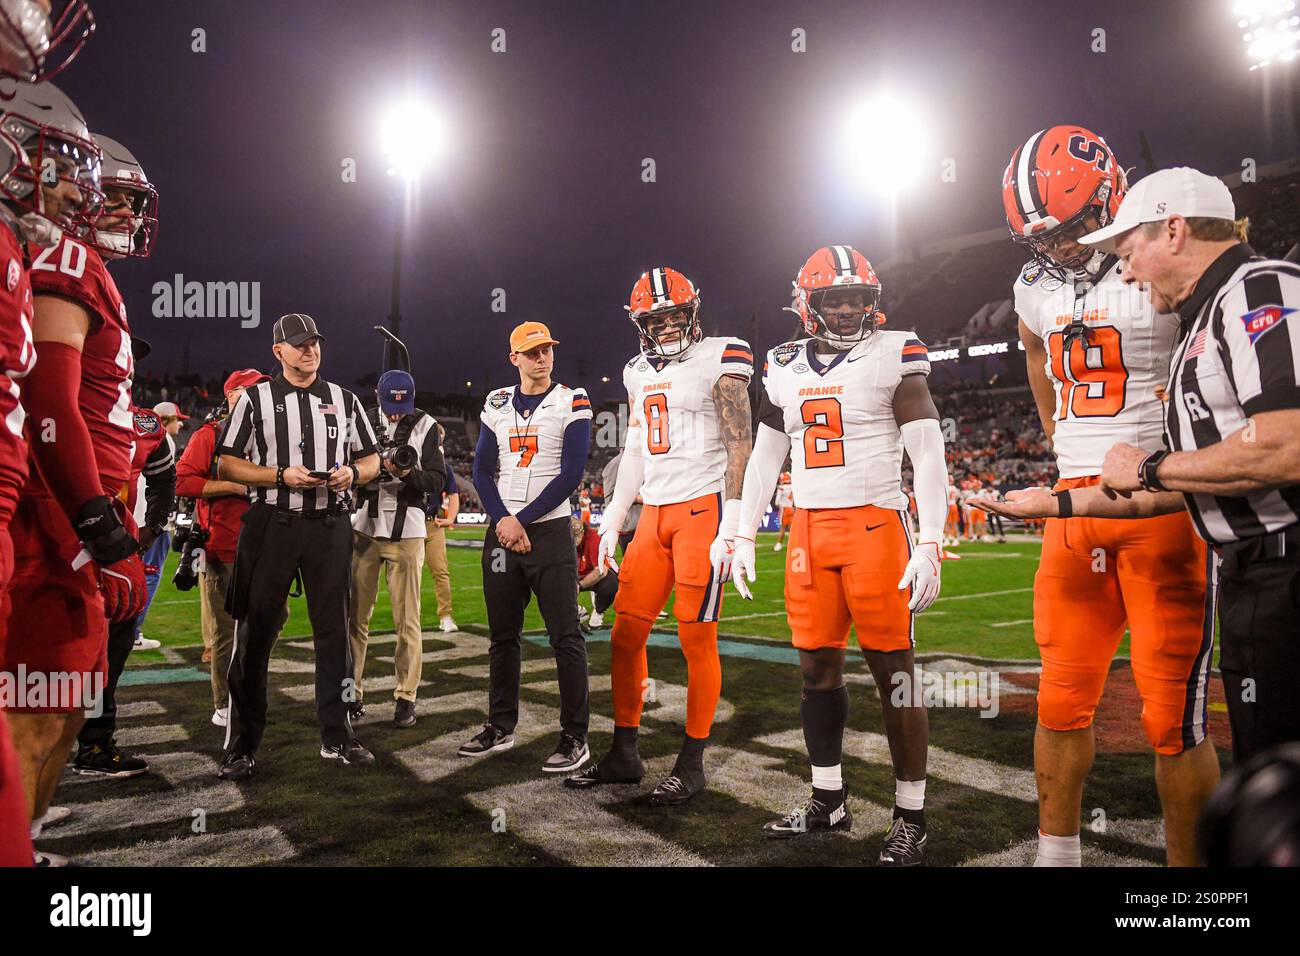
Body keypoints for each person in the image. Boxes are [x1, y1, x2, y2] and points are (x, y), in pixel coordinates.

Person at [983, 167, 1300, 767]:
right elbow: (1166, 486)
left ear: (1169, 231)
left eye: (1129, 250)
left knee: (1197, 728)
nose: (1123, 268)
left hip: (1251, 538)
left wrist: (1153, 463)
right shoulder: (1193, 319)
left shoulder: (1246, 291)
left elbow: (1283, 443)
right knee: (1260, 755)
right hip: (1204, 536)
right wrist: (1057, 477)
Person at [999, 138, 1220, 867]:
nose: (1057, 248)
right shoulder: (1033, 287)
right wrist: (1061, 440)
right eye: (1040, 236)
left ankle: (1193, 888)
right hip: (1075, 505)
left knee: (1172, 719)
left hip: (1162, 504)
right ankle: (1055, 856)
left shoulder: (1155, 254)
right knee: (1060, 697)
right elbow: (1035, 352)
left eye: (1066, 228)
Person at [729, 245, 946, 865]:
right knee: (816, 671)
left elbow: (927, 449)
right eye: (836, 299)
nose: (849, 309)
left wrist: (930, 538)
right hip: (808, 531)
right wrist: (744, 531)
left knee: (895, 675)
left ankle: (910, 814)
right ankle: (829, 799)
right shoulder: (782, 363)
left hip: (876, 527)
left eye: (858, 298)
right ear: (808, 304)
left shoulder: (894, 351)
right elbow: (767, 455)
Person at [2, 82, 146, 867]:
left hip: (66, 509)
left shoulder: (76, 261)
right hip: (50, 517)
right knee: (36, 697)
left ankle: (22, 841)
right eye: (111, 196)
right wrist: (96, 525)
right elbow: (49, 400)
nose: (113, 209)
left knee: (60, 703)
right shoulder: (63, 260)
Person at [567, 267, 752, 804]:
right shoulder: (635, 370)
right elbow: (637, 445)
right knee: (626, 635)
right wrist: (612, 515)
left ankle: (691, 762)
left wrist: (736, 525)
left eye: (675, 315)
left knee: (697, 638)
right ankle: (625, 754)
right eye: (656, 318)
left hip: (705, 510)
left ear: (692, 311)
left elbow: (739, 443)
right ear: (640, 323)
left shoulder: (724, 354)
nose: (667, 326)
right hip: (654, 514)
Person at [215, 313, 380, 780]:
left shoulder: (344, 400)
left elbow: (370, 459)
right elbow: (227, 465)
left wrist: (355, 473)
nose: (309, 350)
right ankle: (242, 744)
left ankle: (339, 733)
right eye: (299, 344)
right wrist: (279, 475)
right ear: (279, 351)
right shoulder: (254, 399)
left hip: (330, 525)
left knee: (337, 636)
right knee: (255, 635)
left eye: (315, 343)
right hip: (273, 523)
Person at [460, 321, 592, 773]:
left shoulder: (571, 399)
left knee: (565, 636)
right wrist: (502, 519)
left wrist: (522, 520)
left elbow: (572, 474)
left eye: (547, 350)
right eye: (532, 352)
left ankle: (575, 735)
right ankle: (501, 726)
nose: (542, 358)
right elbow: (480, 470)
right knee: (502, 636)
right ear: (514, 358)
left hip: (549, 532)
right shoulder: (496, 401)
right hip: (502, 533)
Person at [174, 368, 283, 726]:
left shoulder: (270, 437)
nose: (261, 398)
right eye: (253, 392)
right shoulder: (211, 434)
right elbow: (184, 481)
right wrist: (235, 487)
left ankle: (248, 685)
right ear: (234, 396)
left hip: (265, 546)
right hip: (223, 547)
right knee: (225, 632)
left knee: (272, 619)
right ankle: (224, 704)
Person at [349, 369, 446, 728]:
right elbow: (345, 468)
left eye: (401, 407)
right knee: (355, 618)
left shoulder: (426, 425)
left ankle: (406, 697)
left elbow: (437, 480)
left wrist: (407, 475)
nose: (395, 414)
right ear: (378, 397)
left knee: (407, 620)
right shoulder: (360, 420)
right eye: (391, 406)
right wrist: (369, 471)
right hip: (365, 529)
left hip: (408, 532)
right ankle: (351, 693)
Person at [133, 396, 186, 649]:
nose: (181, 425)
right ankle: (133, 632)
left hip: (132, 515)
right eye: (177, 419)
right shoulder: (164, 440)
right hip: (153, 519)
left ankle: (122, 630)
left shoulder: (134, 432)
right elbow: (165, 486)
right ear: (164, 420)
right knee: (150, 576)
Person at [424, 422, 460, 634]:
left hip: (432, 524)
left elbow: (453, 495)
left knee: (441, 572)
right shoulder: (413, 460)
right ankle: (407, 616)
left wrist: (450, 518)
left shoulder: (444, 467)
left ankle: (445, 615)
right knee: (404, 574)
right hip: (410, 523)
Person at [573, 516, 617, 628]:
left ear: (583, 532)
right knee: (551, 583)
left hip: (593, 572)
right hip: (574, 573)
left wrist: (580, 585)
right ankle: (576, 611)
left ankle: (598, 611)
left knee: (610, 585)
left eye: (577, 536)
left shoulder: (594, 539)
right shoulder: (560, 541)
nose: (575, 540)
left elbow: (601, 571)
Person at [772, 471, 794, 551]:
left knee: (783, 529)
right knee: (792, 530)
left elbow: (776, 502)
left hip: (784, 509)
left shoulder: (781, 488)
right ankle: (793, 545)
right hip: (791, 509)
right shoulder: (793, 486)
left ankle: (778, 544)